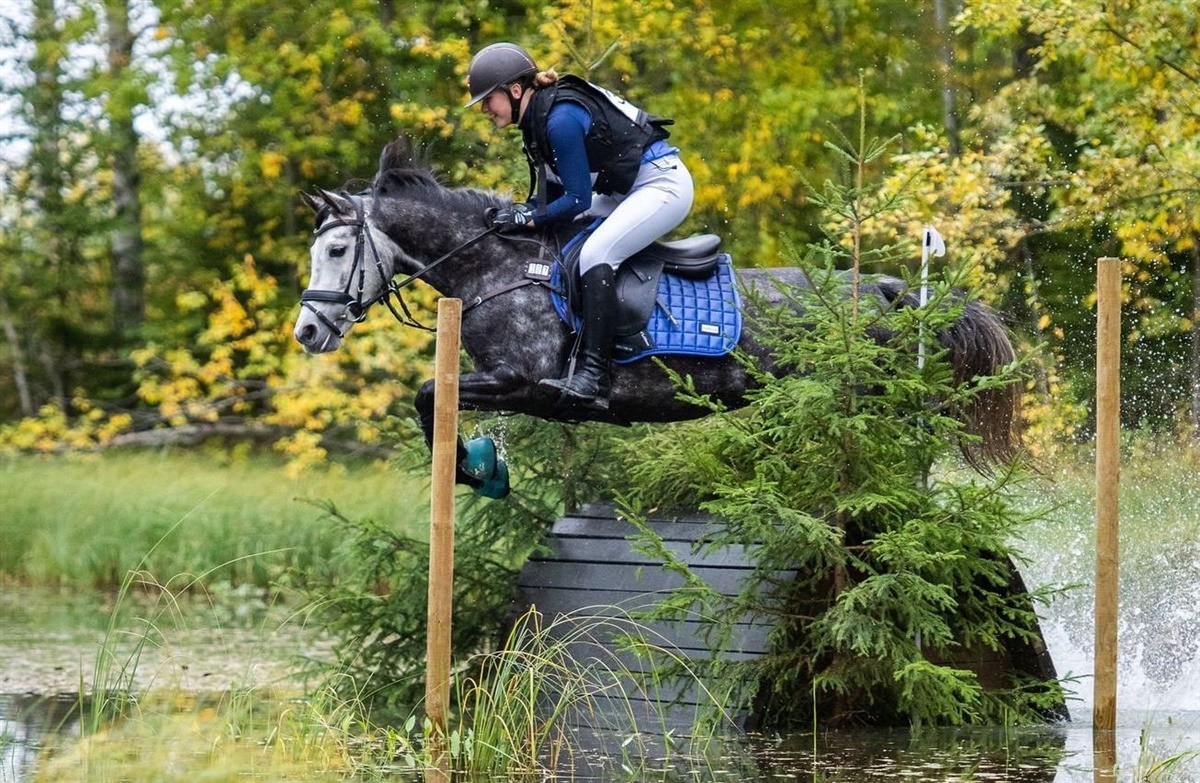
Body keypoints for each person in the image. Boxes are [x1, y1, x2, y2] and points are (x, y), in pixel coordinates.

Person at [465, 42, 695, 411]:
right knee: (564, 240)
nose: (483, 109)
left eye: (487, 99)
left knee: (596, 253)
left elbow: (577, 201)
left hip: (662, 185)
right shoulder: (538, 118)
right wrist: (520, 215)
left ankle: (594, 375)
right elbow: (552, 197)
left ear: (516, 90)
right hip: (625, 189)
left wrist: (528, 217)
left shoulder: (560, 119)